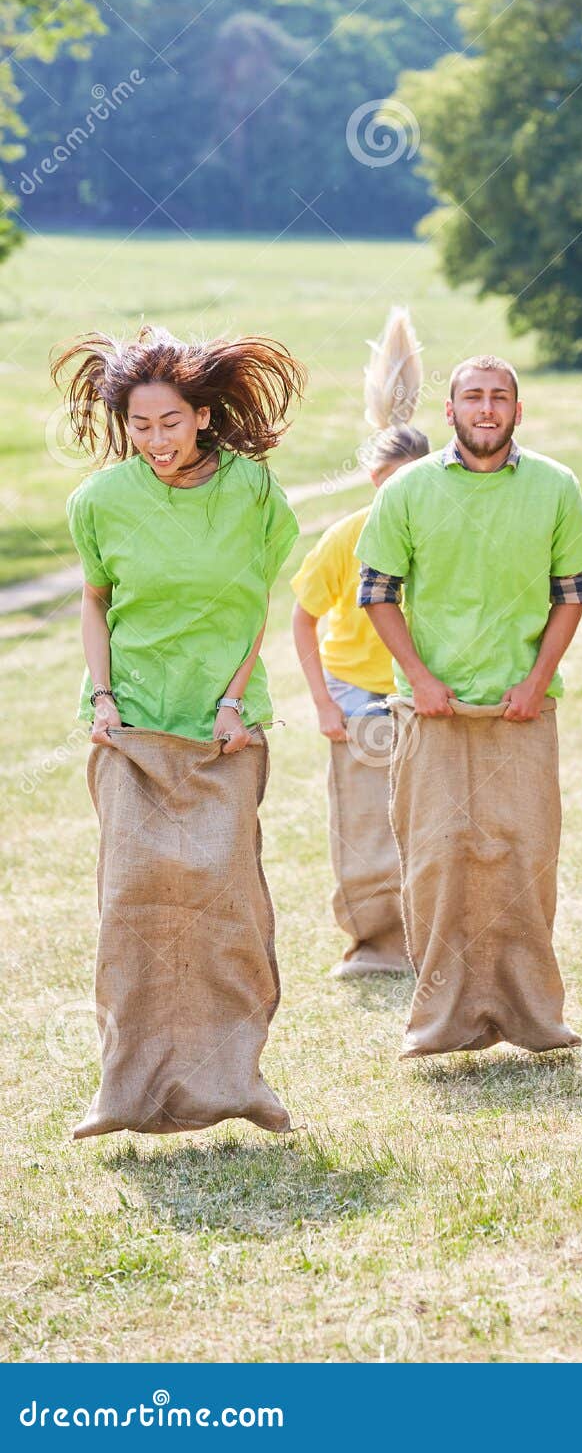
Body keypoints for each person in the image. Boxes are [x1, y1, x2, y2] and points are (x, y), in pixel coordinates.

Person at [52, 323, 304, 1137]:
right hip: (129, 727)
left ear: (201, 414)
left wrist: (234, 703)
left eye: (169, 422)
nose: (155, 440)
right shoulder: (98, 501)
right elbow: (95, 601)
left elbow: (252, 604)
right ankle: (121, 1091)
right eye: (140, 425)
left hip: (225, 727)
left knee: (226, 902)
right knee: (131, 902)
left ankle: (239, 1078)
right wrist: (101, 697)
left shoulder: (253, 492)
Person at [354, 356, 582, 1056]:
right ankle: (439, 1021)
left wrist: (536, 680)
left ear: (517, 412)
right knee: (437, 862)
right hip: (431, 714)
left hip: (522, 713)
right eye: (472, 397)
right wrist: (419, 678)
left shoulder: (556, 486)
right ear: (450, 411)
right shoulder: (407, 491)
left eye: (499, 398)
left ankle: (534, 1018)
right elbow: (377, 593)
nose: (486, 409)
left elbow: (572, 593)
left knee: (525, 860)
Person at [290, 306, 429, 977]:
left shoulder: (437, 538)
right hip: (354, 689)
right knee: (364, 816)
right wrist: (322, 703)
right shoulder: (346, 536)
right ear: (375, 482)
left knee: (423, 813)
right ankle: (374, 942)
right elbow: (301, 616)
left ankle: (426, 931)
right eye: (393, 485)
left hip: (417, 687)